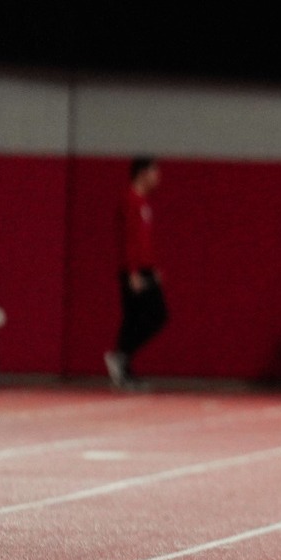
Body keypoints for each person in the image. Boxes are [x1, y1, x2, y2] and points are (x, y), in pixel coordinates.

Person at [104, 156, 167, 390]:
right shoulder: (130, 200)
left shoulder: (143, 202)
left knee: (137, 319)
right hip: (135, 271)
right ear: (142, 173)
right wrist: (133, 272)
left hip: (145, 269)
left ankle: (123, 363)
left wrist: (153, 267)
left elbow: (143, 241)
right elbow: (129, 239)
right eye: (154, 172)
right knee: (153, 315)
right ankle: (120, 358)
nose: (158, 177)